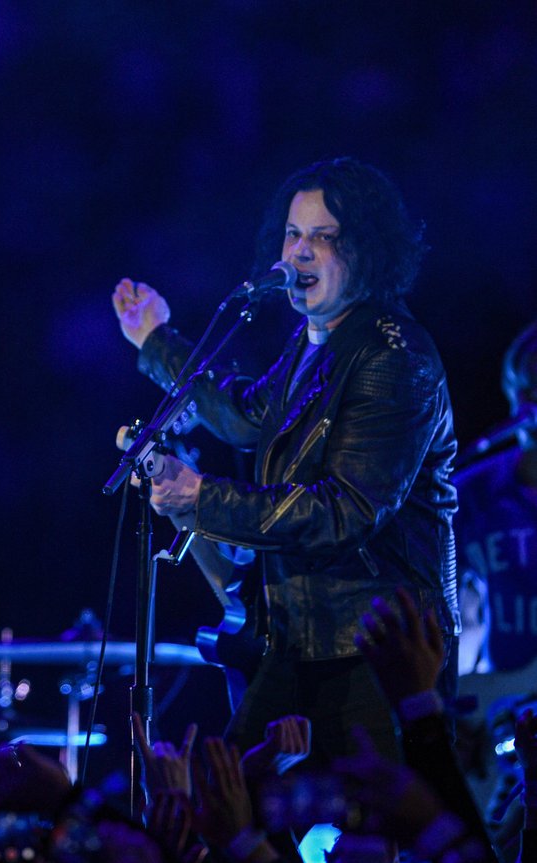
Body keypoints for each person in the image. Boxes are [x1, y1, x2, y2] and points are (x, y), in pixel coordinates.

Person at [111, 157, 459, 770]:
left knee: (371, 816)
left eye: (323, 237)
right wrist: (156, 341)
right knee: (235, 796)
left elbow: (344, 510)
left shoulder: (394, 358)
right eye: (293, 234)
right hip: (300, 639)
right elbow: (246, 415)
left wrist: (201, 497)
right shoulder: (315, 340)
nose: (299, 253)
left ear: (368, 251)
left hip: (377, 650)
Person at [454, 319, 537, 676]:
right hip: (500, 697)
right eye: (527, 388)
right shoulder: (469, 492)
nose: (532, 402)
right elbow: (457, 614)